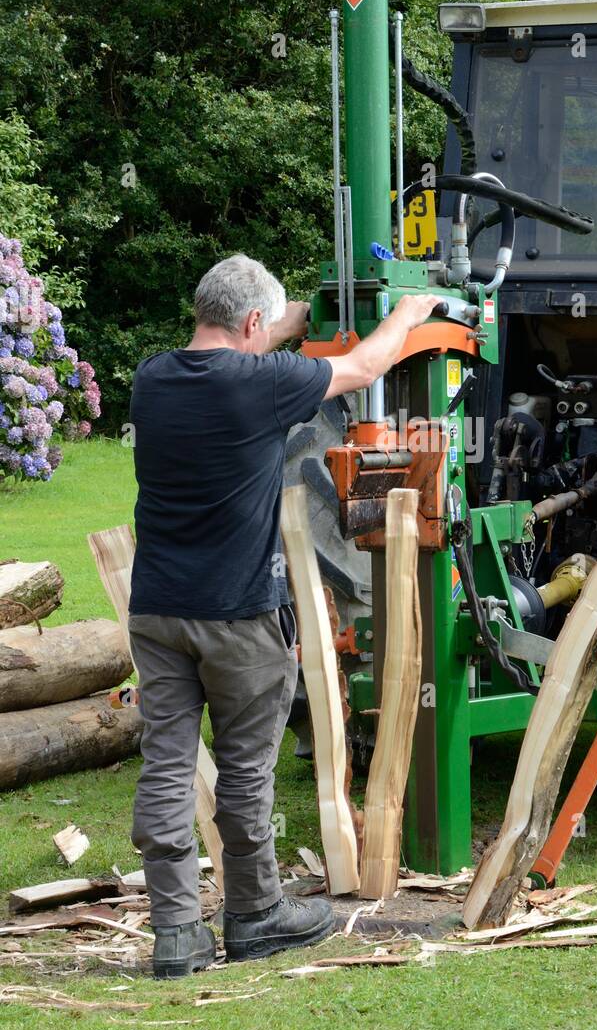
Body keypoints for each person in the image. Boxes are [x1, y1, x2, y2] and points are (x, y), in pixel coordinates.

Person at [128, 253, 438, 977]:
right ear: (254, 324)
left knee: (167, 768)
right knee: (243, 772)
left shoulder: (152, 378)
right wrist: (411, 312)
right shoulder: (263, 386)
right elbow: (362, 369)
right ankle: (256, 914)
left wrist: (288, 319)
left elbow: (244, 346)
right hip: (239, 617)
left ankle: (175, 934)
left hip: (158, 610)